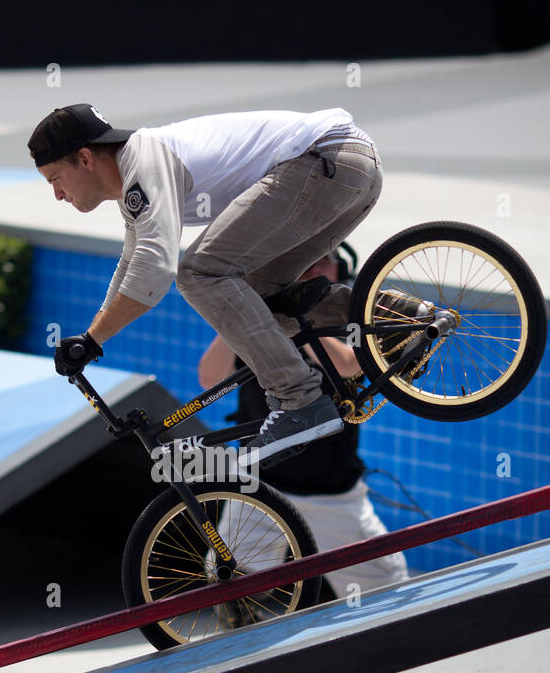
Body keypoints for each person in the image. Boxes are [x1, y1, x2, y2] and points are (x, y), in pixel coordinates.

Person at [28, 102, 386, 467]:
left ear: (85, 159)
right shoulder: (136, 177)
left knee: (198, 273)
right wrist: (90, 338)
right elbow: (131, 262)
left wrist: (93, 341)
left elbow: (155, 268)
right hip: (350, 168)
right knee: (263, 293)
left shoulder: (144, 160)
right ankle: (401, 321)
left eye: (55, 178)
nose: (57, 194)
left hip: (326, 159)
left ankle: (300, 400)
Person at [198, 246, 409, 600]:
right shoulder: (261, 324)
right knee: (227, 584)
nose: (309, 269)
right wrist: (243, 308)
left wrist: (298, 315)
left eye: (321, 261)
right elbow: (209, 378)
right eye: (301, 263)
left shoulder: (350, 319)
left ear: (341, 269)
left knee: (386, 589)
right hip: (262, 486)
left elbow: (346, 365)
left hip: (331, 491)